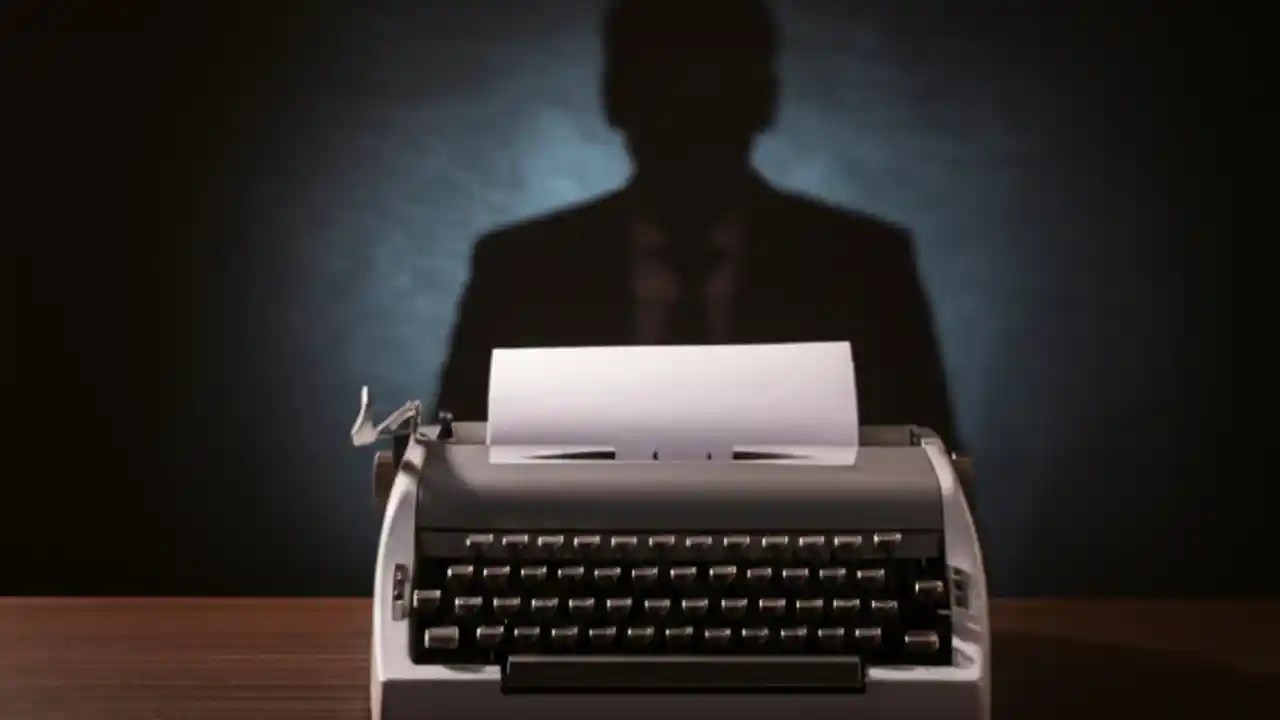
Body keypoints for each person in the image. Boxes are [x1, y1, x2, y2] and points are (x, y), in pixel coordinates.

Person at [434, 0, 957, 447]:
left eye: (710, 90)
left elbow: (935, 488)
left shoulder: (867, 271)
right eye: (668, 88)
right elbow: (451, 477)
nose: (689, 115)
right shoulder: (517, 273)